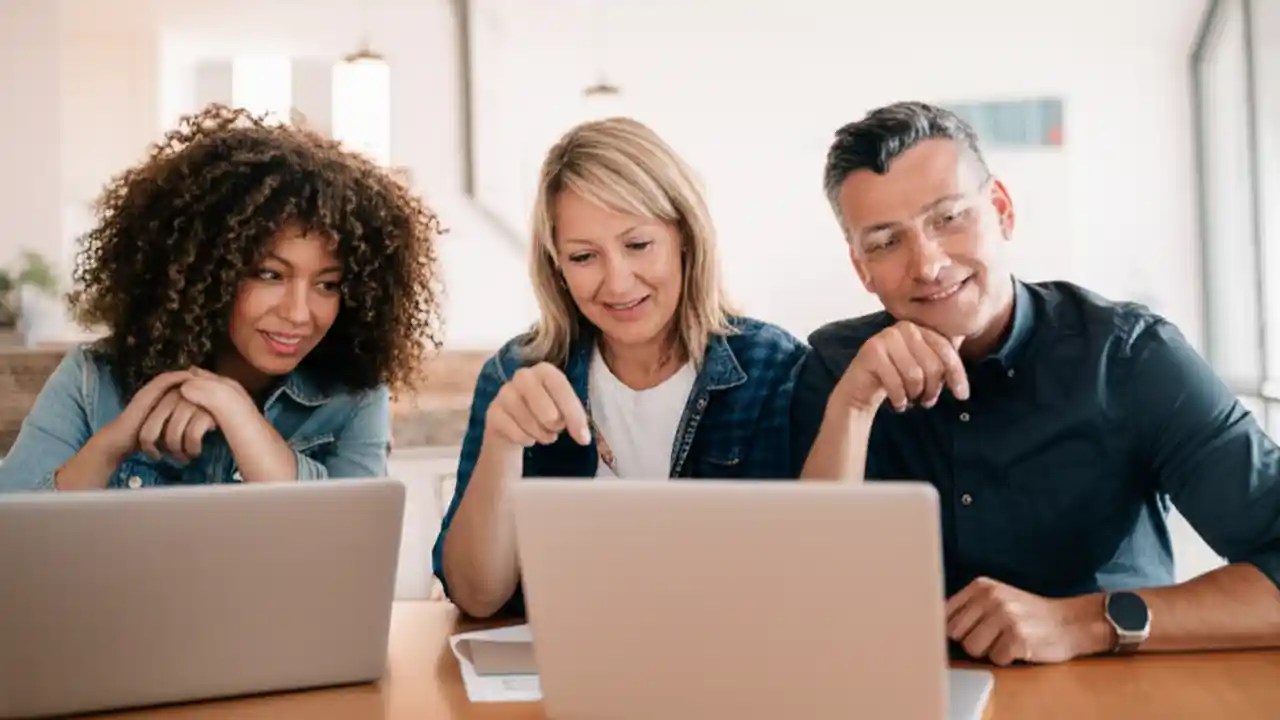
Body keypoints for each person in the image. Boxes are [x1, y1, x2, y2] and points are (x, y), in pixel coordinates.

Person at [793, 101, 1280, 665]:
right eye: (885, 242)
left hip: (1110, 694)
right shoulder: (837, 367)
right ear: (861, 267)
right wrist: (853, 408)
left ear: (1000, 210)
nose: (926, 264)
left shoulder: (1129, 356)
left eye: (948, 219)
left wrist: (1085, 622)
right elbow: (806, 604)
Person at [435, 117, 807, 618]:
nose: (617, 282)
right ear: (558, 269)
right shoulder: (515, 374)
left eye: (637, 245)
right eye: (584, 256)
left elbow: (799, 580)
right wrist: (502, 446)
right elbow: (477, 597)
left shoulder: (773, 368)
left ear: (684, 238)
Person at [0, 104, 443, 492]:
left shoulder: (353, 400)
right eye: (270, 274)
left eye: (327, 284)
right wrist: (114, 442)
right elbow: (13, 545)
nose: (298, 313)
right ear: (205, 272)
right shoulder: (93, 380)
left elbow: (351, 550)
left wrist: (240, 418)